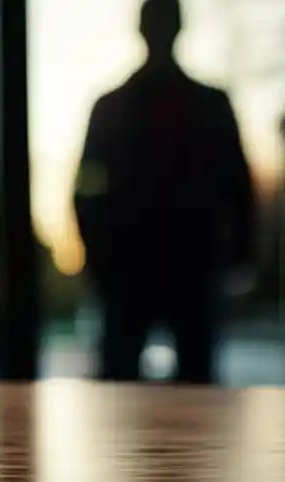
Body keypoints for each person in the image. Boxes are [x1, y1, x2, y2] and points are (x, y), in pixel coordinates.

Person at [74, 0, 255, 383]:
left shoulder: (111, 109)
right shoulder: (210, 106)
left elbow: (86, 191)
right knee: (188, 389)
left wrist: (97, 257)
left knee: (137, 388)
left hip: (156, 268)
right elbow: (238, 188)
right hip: (169, 267)